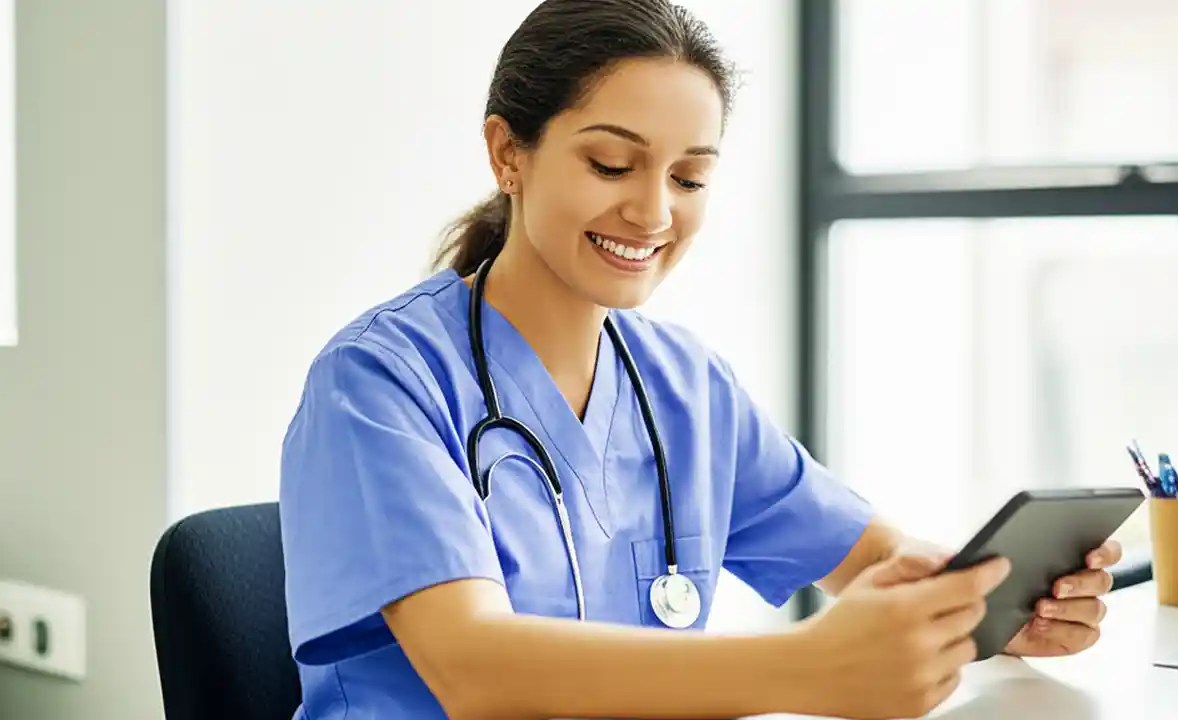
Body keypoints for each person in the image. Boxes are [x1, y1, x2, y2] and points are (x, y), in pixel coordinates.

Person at [278, 1, 1123, 718]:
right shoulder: (379, 383)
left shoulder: (683, 388)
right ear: (508, 154)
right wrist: (810, 668)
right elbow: (475, 670)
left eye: (689, 178)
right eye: (612, 163)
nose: (651, 212)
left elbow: (867, 557)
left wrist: (985, 609)